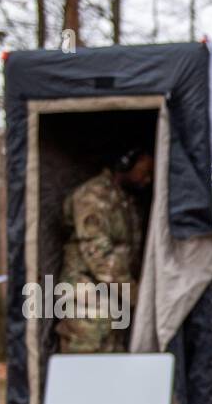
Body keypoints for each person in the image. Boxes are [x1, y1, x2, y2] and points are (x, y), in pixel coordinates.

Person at [55, 147, 152, 353]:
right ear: (126, 163)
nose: (148, 179)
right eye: (145, 171)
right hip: (87, 297)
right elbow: (98, 254)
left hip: (114, 297)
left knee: (112, 367)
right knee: (86, 367)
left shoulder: (126, 200)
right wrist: (135, 294)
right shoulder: (93, 196)